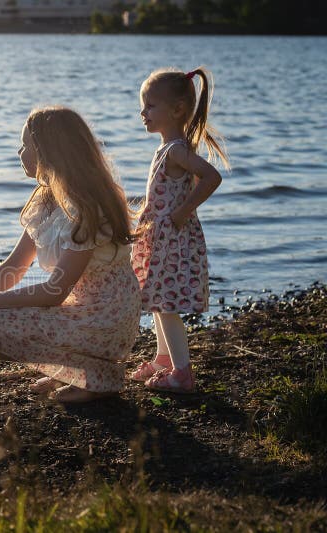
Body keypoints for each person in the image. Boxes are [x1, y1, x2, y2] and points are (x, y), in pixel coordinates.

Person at [0, 106, 141, 403]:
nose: (19, 152)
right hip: (80, 310)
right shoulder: (47, 198)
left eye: (25, 145)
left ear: (48, 152)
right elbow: (15, 266)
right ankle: (77, 371)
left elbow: (54, 291)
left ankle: (97, 377)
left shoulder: (86, 208)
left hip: (106, 319)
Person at [129, 67, 229, 393]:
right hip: (160, 237)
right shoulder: (167, 148)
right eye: (143, 106)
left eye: (150, 106)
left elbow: (212, 177)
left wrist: (183, 211)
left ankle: (182, 373)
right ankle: (164, 359)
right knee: (157, 300)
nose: (143, 112)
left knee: (166, 304)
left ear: (177, 110)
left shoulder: (175, 150)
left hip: (171, 240)